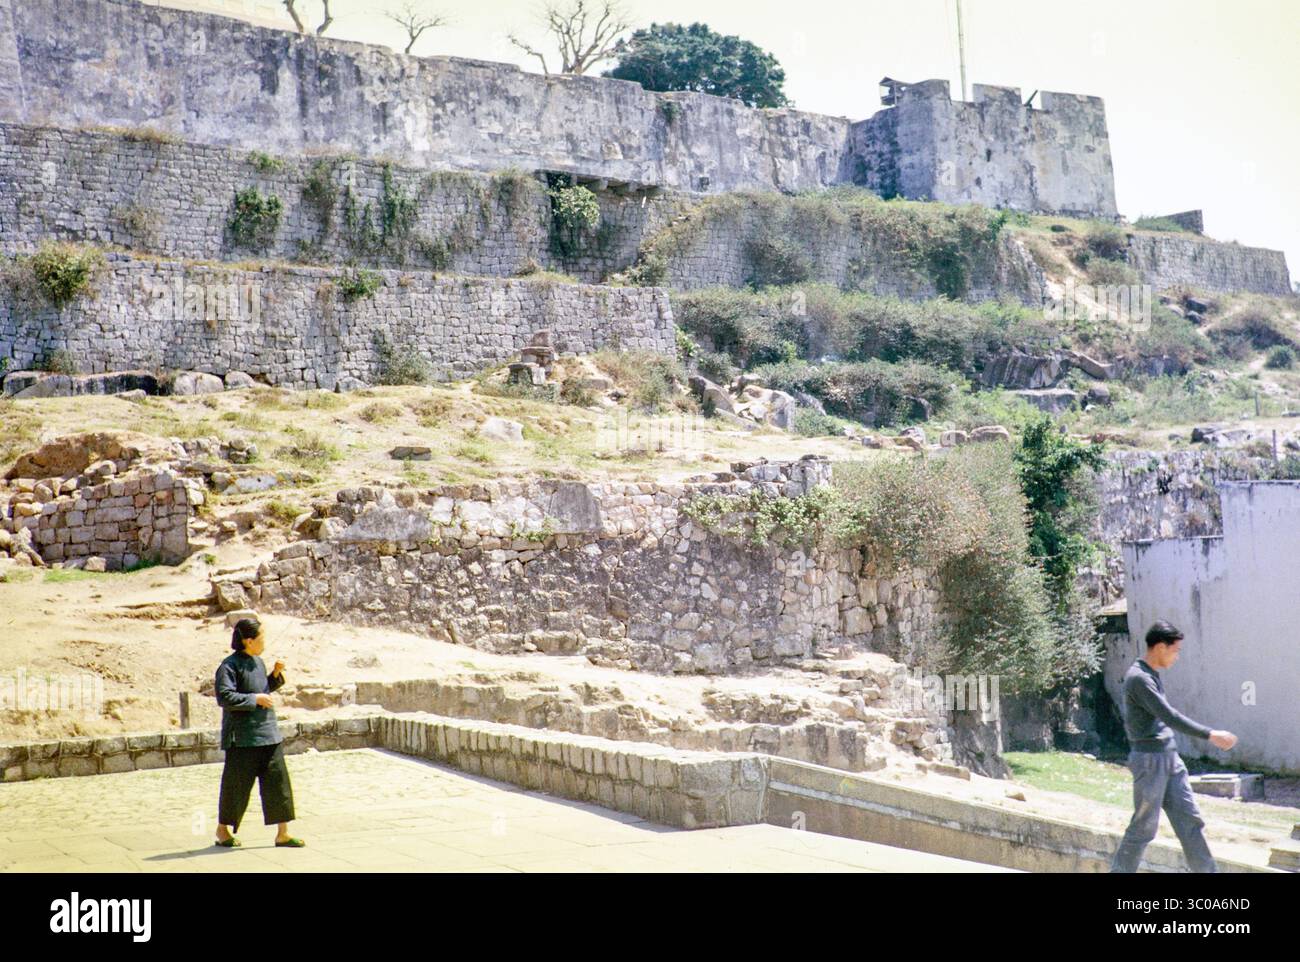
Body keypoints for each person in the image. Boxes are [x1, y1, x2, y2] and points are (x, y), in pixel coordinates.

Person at [1109, 620, 1236, 873]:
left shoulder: (1151, 675)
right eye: (1175, 650)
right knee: (1143, 828)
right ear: (1159, 647)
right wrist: (1210, 734)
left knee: (1190, 823)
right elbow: (1169, 716)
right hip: (1149, 760)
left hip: (1169, 757)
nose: (1177, 657)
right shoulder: (1139, 678)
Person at [213, 617, 305, 849]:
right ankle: (223, 831)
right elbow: (225, 696)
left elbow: (262, 689)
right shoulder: (229, 666)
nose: (265, 642)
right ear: (248, 640)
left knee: (278, 783)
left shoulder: (259, 662)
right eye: (262, 638)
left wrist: (274, 675)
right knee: (237, 786)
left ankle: (282, 833)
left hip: (268, 733)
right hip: (243, 738)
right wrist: (254, 699)